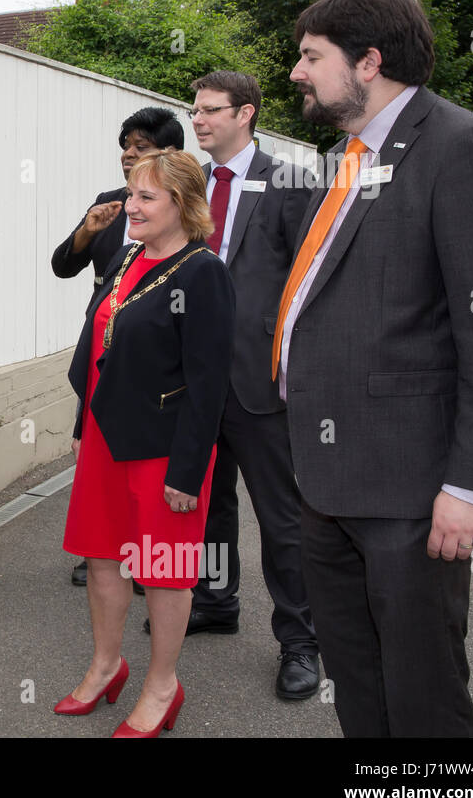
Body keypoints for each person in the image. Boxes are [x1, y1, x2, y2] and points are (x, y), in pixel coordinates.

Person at [280, 0, 473, 736]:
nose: (297, 72)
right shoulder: (347, 157)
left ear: (369, 62)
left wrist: (472, 486)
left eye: (311, 56)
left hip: (413, 490)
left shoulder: (462, 147)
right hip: (327, 482)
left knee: (423, 696)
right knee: (358, 682)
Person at [141, 70, 320, 700]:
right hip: (191, 385)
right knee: (202, 504)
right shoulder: (186, 185)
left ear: (245, 114)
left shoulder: (290, 182)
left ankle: (300, 641)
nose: (198, 120)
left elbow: (310, 284)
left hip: (258, 382)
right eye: (194, 110)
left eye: (211, 111)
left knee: (282, 518)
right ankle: (216, 600)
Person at [57, 149, 234, 736]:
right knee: (103, 556)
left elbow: (209, 385)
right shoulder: (131, 259)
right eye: (131, 195)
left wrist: (188, 472)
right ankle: (107, 666)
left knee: (162, 569)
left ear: (181, 205)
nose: (130, 206)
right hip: (108, 440)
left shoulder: (202, 271)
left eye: (145, 198)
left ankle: (163, 686)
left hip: (164, 450)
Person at [52, 106, 184, 588]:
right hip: (104, 349)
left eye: (142, 147)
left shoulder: (184, 202)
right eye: (125, 147)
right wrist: (88, 229)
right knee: (96, 446)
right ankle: (103, 547)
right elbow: (62, 266)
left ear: (170, 154)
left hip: (161, 354)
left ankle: (155, 557)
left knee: (150, 459)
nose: (129, 155)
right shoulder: (110, 203)